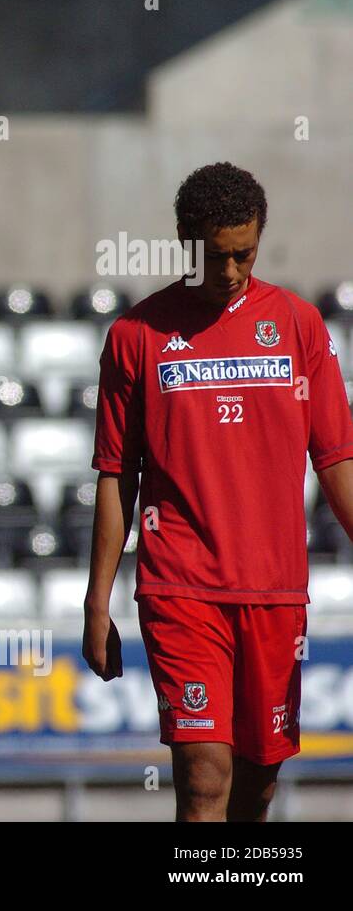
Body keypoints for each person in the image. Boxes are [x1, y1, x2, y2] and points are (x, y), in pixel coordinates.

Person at [84, 161, 353, 821]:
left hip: (275, 589)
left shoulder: (299, 327)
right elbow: (117, 473)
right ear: (185, 237)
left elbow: (337, 458)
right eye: (215, 255)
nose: (231, 271)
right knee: (204, 777)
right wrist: (97, 601)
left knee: (257, 784)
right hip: (181, 586)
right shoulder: (136, 337)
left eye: (244, 254)